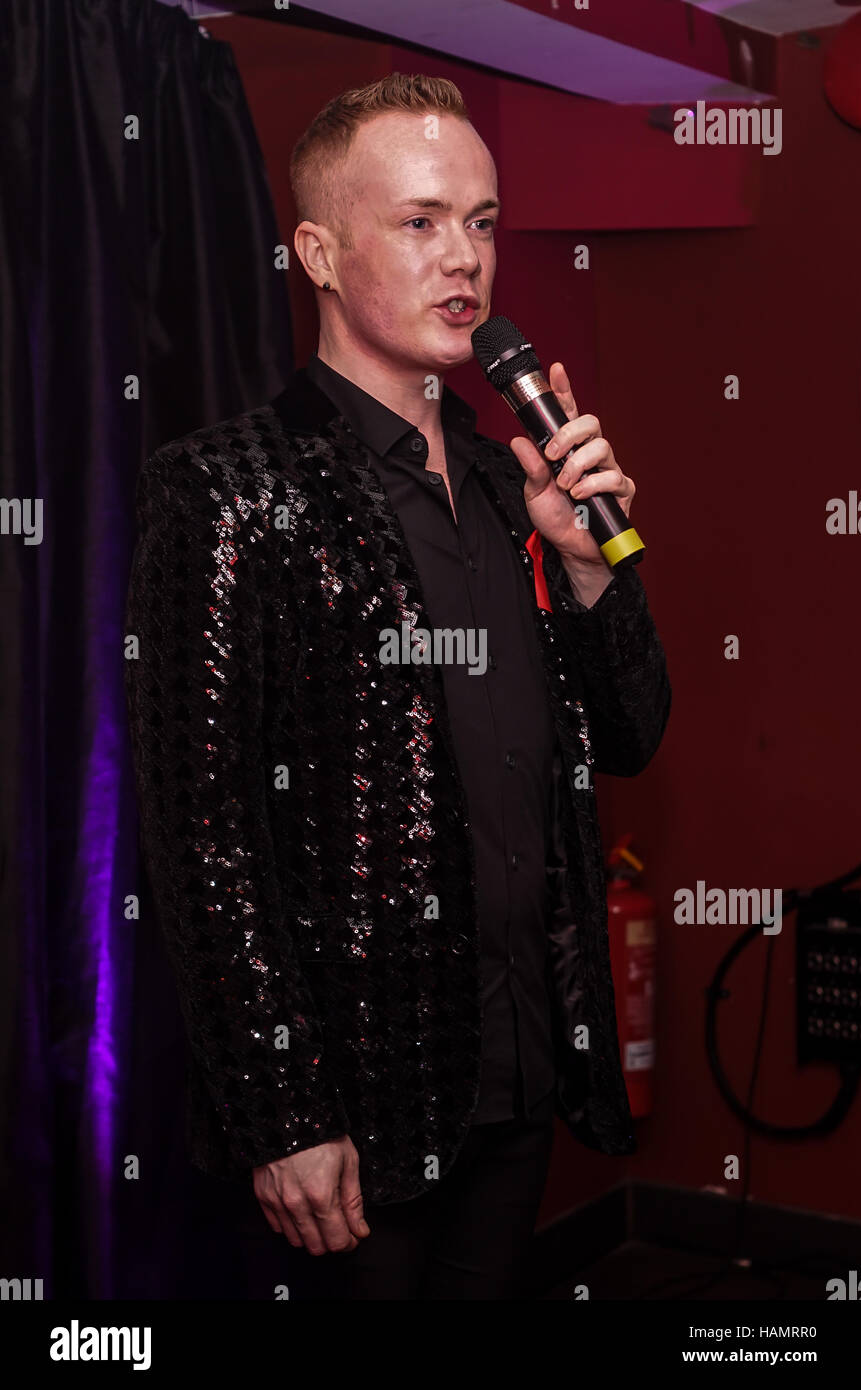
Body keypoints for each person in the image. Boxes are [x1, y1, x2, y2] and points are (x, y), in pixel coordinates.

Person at [124, 72, 671, 1301]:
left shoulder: (509, 483)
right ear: (318, 250)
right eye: (419, 221)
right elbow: (203, 834)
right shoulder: (227, 490)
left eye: (480, 221)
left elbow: (633, 734)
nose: (463, 257)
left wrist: (591, 572)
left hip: (518, 1074)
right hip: (355, 1112)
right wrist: (280, 1110)